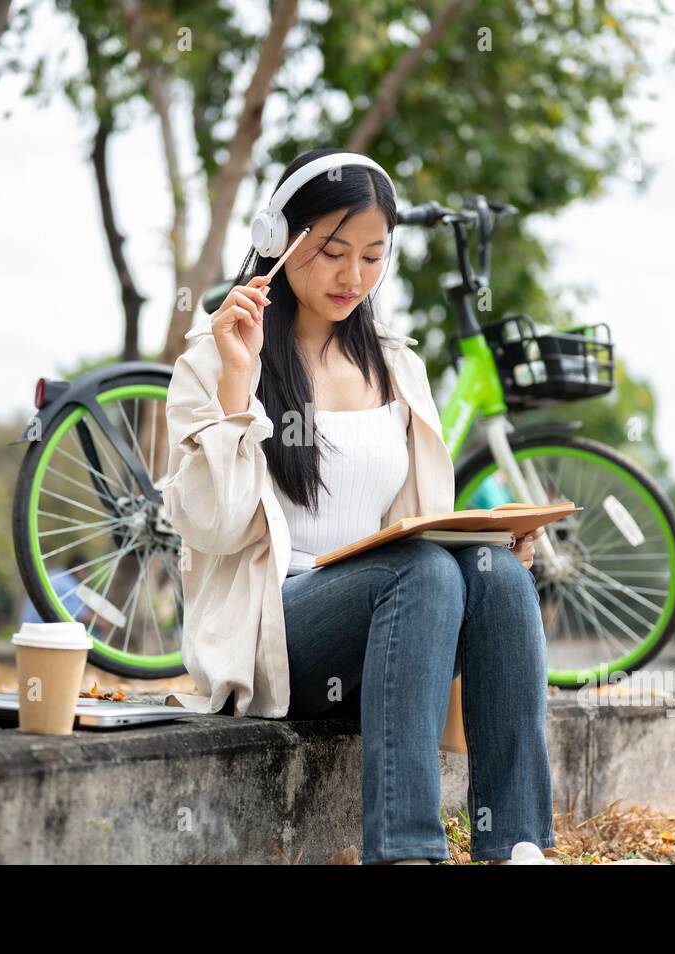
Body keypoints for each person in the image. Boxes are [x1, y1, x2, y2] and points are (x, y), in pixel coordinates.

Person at [162, 148, 555, 865]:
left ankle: (516, 846)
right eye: (333, 251)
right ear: (278, 242)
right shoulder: (213, 360)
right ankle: (407, 853)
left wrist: (491, 547)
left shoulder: (396, 364)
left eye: (374, 256)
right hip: (274, 638)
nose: (354, 277)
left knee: (494, 579)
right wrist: (235, 388)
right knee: (423, 574)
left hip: (399, 633)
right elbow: (212, 528)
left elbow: (422, 521)